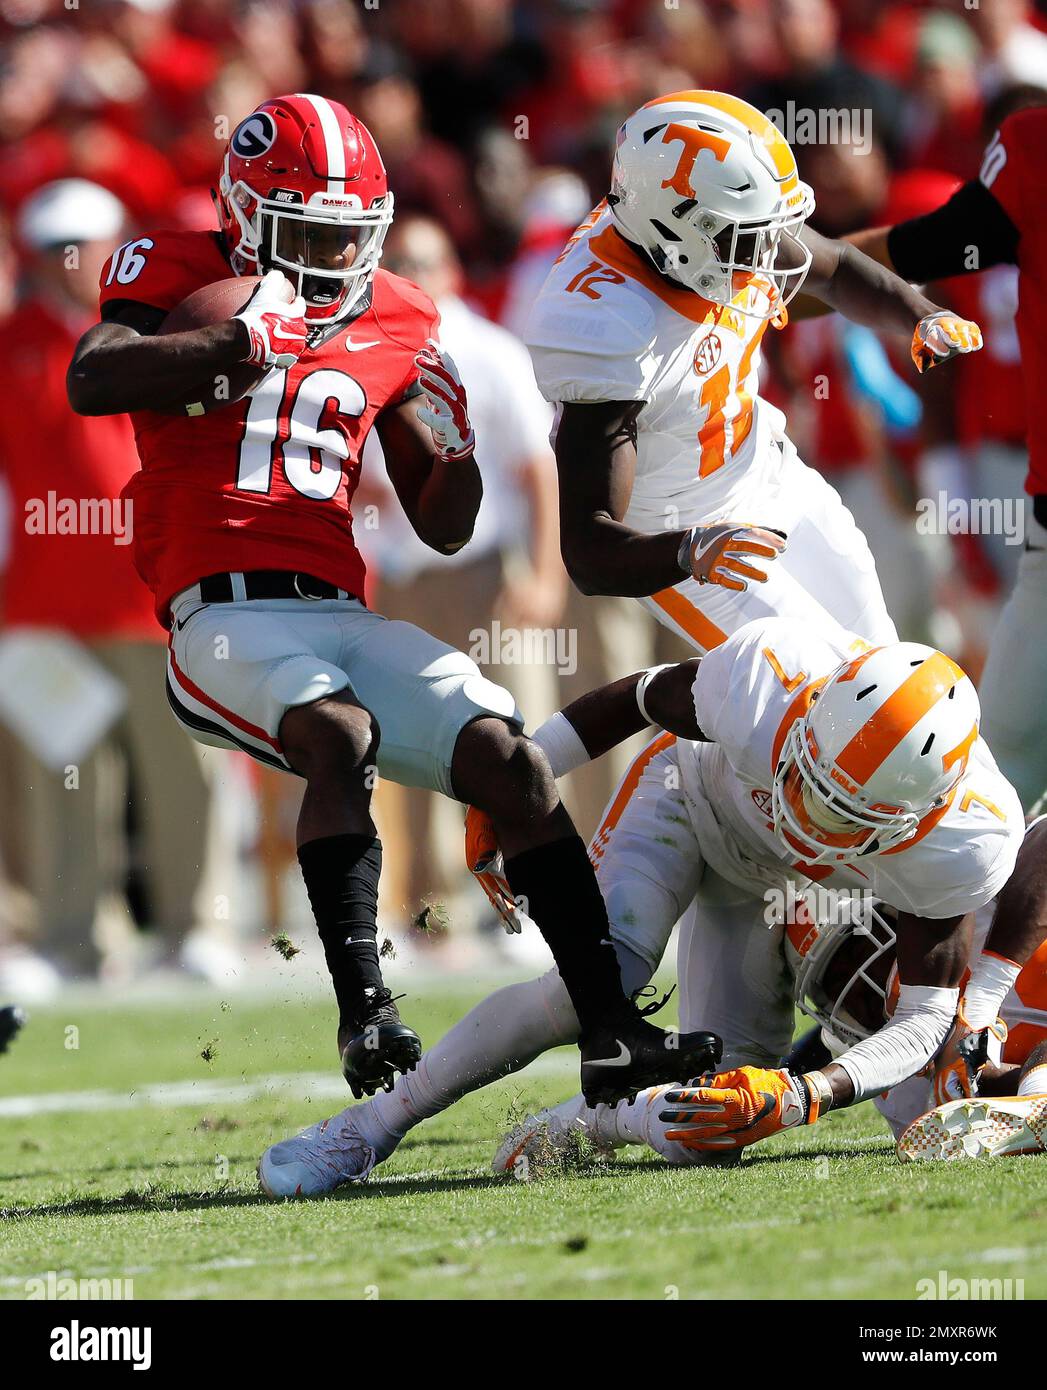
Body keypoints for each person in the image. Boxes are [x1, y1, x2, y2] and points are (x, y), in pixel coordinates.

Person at [66, 94, 718, 1108]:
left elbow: (445, 522)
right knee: (339, 733)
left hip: (338, 600)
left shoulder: (397, 312)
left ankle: (612, 1032)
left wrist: (453, 446)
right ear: (241, 210)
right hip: (219, 611)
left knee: (507, 755)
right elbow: (93, 377)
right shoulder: (176, 267)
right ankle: (365, 1009)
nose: (330, 252)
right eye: (309, 230)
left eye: (346, 232)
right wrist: (233, 347)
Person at [257, 611, 1022, 1196]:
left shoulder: (963, 840)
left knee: (720, 1110)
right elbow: (638, 698)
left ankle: (593, 1121)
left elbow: (924, 1014)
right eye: (804, 780)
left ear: (915, 818)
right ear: (811, 711)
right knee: (596, 984)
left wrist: (805, 1094)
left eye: (841, 813)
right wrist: (521, 780)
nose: (808, 818)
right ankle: (369, 1126)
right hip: (692, 800)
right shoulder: (769, 678)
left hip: (790, 891)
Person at [524, 90, 983, 663]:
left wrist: (921, 317)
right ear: (677, 231)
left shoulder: (710, 228)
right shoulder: (604, 327)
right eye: (749, 233)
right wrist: (690, 552)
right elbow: (588, 549)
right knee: (827, 697)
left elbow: (835, 267)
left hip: (769, 471)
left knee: (886, 665)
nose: (768, 251)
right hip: (689, 531)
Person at [0, 178, 220, 988]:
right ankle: (71, 939)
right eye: (53, 243)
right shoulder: (9, 340)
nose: (69, 259)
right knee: (64, 776)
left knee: (183, 768)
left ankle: (194, 929)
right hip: (44, 602)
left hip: (151, 591)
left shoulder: (160, 329)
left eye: (83, 241)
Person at [357, 213, 566, 922]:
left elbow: (539, 469)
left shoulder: (488, 350)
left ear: (451, 271)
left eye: (425, 261)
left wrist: (543, 574)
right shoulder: (368, 347)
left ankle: (536, 901)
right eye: (399, 262)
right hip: (406, 577)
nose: (413, 275)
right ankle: (429, 912)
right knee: (408, 747)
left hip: (485, 573)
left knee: (514, 743)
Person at [846, 101, 1047, 814]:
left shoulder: (1026, 149)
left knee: (1001, 775)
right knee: (1000, 771)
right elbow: (933, 273)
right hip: (1014, 486)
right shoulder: (1027, 155)